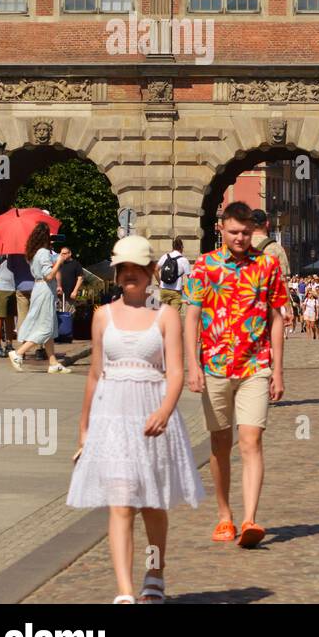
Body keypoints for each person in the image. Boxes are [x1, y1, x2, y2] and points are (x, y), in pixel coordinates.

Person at [66, 235, 203, 603]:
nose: (130, 275)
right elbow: (95, 373)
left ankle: (154, 572)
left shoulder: (166, 316)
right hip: (112, 415)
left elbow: (176, 372)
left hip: (152, 415)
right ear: (116, 274)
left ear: (150, 272)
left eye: (136, 269)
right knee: (121, 501)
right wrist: (84, 426)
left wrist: (164, 410)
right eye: (123, 269)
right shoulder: (102, 316)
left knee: (152, 504)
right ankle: (125, 591)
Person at [184, 201, 287, 549]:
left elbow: (276, 318)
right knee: (219, 445)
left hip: (255, 365)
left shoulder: (267, 265)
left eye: (245, 232)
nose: (240, 238)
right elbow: (191, 318)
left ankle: (250, 519)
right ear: (222, 230)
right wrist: (192, 365)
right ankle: (225, 515)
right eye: (233, 232)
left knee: (251, 440)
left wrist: (278, 370)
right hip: (214, 365)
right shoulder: (205, 266)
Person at [8, 224, 71, 374]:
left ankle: (53, 362)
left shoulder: (34, 252)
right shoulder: (43, 253)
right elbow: (49, 275)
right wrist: (59, 262)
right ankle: (18, 353)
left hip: (39, 289)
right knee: (45, 327)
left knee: (49, 326)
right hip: (45, 290)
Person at [251, 210, 293, 334]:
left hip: (244, 303)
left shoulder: (240, 246)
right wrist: (288, 309)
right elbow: (283, 282)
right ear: (267, 224)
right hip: (268, 305)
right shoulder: (276, 249)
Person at [154, 239, 191, 313]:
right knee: (175, 317)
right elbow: (190, 278)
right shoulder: (184, 260)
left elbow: (155, 270)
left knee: (163, 315)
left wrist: (160, 283)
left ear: (173, 247)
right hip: (176, 291)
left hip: (164, 290)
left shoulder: (165, 256)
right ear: (181, 247)